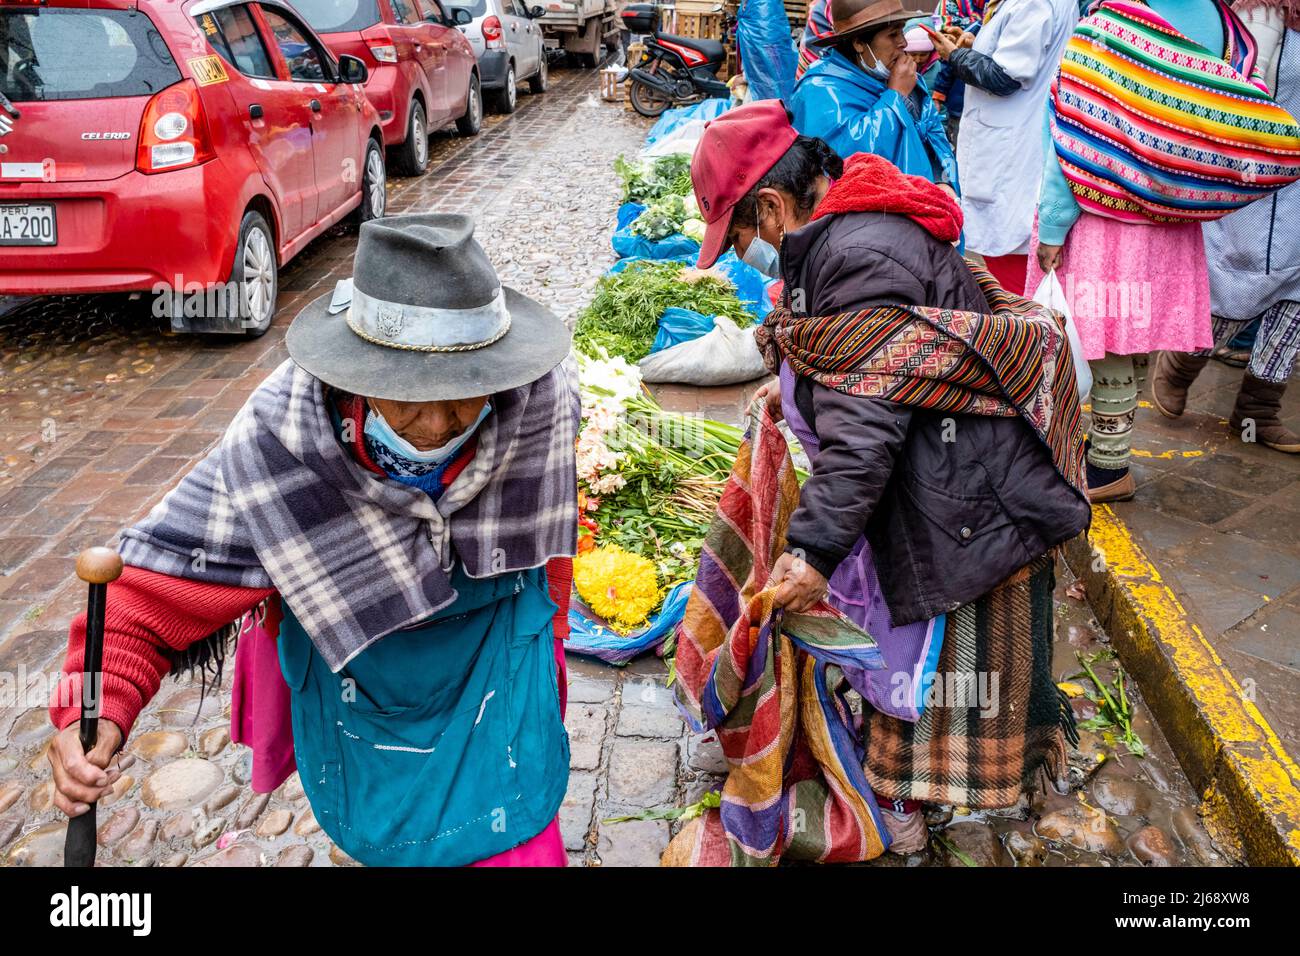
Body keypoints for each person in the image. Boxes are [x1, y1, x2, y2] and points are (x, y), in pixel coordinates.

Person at [46, 214, 580, 867]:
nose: (436, 423)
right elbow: (140, 608)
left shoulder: (538, 403)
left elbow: (550, 544)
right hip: (368, 692)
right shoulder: (281, 449)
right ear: (353, 377)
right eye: (406, 394)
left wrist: (548, 652)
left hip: (498, 669)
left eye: (465, 392)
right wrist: (94, 708)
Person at [687, 101, 1091, 855]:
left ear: (772, 207)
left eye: (740, 236)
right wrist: (794, 380)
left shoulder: (859, 254)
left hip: (960, 491)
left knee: (911, 661)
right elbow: (851, 359)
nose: (745, 252)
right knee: (883, 644)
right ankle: (891, 779)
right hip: (935, 472)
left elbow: (868, 430)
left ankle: (898, 806)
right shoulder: (838, 234)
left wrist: (810, 554)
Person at [1028, 0, 1300, 500]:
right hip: (1171, 222)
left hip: (1103, 218)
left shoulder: (1111, 24)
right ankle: (1107, 453)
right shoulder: (1227, 26)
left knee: (1102, 341)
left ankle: (1109, 469)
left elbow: (1072, 131)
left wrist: (1053, 223)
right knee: (1129, 343)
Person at [1152, 0, 1300, 455]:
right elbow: (1234, 93)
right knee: (1237, 282)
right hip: (1257, 176)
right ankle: (1180, 365)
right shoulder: (1265, 12)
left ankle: (1258, 410)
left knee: (1296, 303)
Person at [924, 0, 1078, 294]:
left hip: (1014, 150)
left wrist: (955, 56)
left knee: (1014, 269)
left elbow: (1004, 76)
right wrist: (973, 45)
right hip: (1010, 144)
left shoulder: (1034, 4)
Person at [789, 0, 959, 192]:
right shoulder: (819, 90)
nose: (903, 42)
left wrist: (941, 181)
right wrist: (896, 96)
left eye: (902, 31)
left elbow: (931, 137)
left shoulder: (900, 77)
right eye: (893, 34)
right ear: (859, 43)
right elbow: (849, 164)